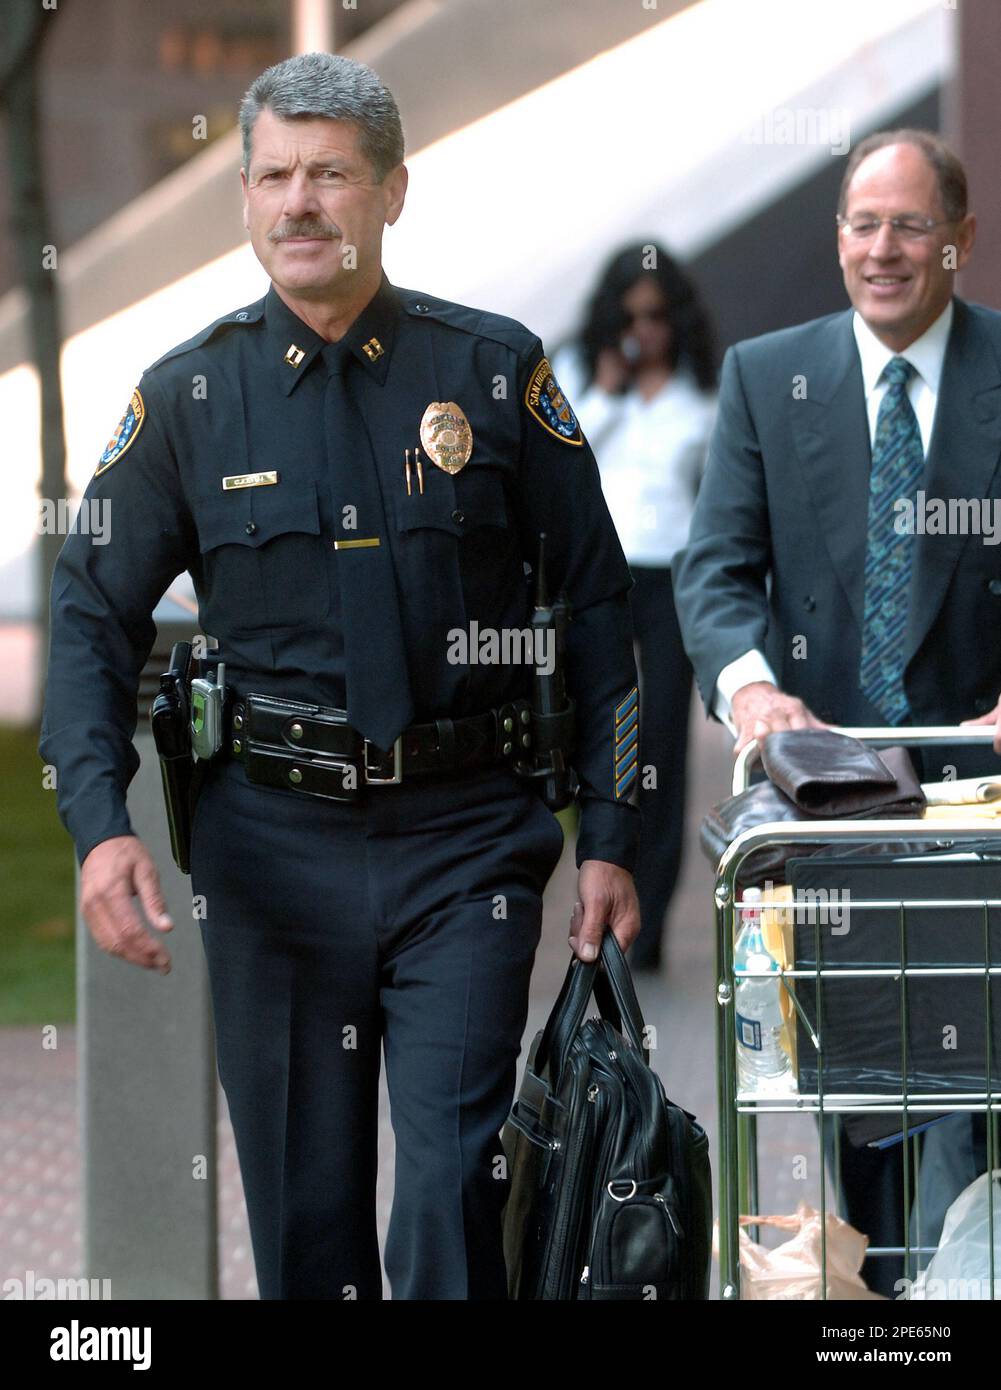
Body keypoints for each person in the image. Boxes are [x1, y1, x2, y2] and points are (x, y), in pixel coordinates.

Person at [38, 51, 641, 1301]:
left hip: (464, 841)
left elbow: (596, 600)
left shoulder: (492, 373)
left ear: (391, 192)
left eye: (328, 175)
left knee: (449, 1185)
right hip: (270, 857)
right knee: (307, 1218)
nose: (297, 203)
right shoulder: (188, 397)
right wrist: (97, 826)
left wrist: (614, 830)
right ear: (246, 199)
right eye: (272, 177)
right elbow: (90, 611)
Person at [673, 127, 1001, 1297]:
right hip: (831, 809)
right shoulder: (768, 375)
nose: (882, 248)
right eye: (862, 223)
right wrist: (750, 684)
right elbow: (711, 571)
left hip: (976, 810)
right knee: (857, 1102)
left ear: (956, 240)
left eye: (910, 224)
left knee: (971, 1105)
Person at [552, 245, 717, 970]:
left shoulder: (701, 393)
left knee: (658, 743)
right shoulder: (577, 377)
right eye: (629, 315)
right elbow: (561, 464)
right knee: (585, 730)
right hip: (594, 580)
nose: (642, 329)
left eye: (655, 315)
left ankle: (642, 928)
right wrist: (608, 391)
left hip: (669, 577)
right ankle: (582, 894)